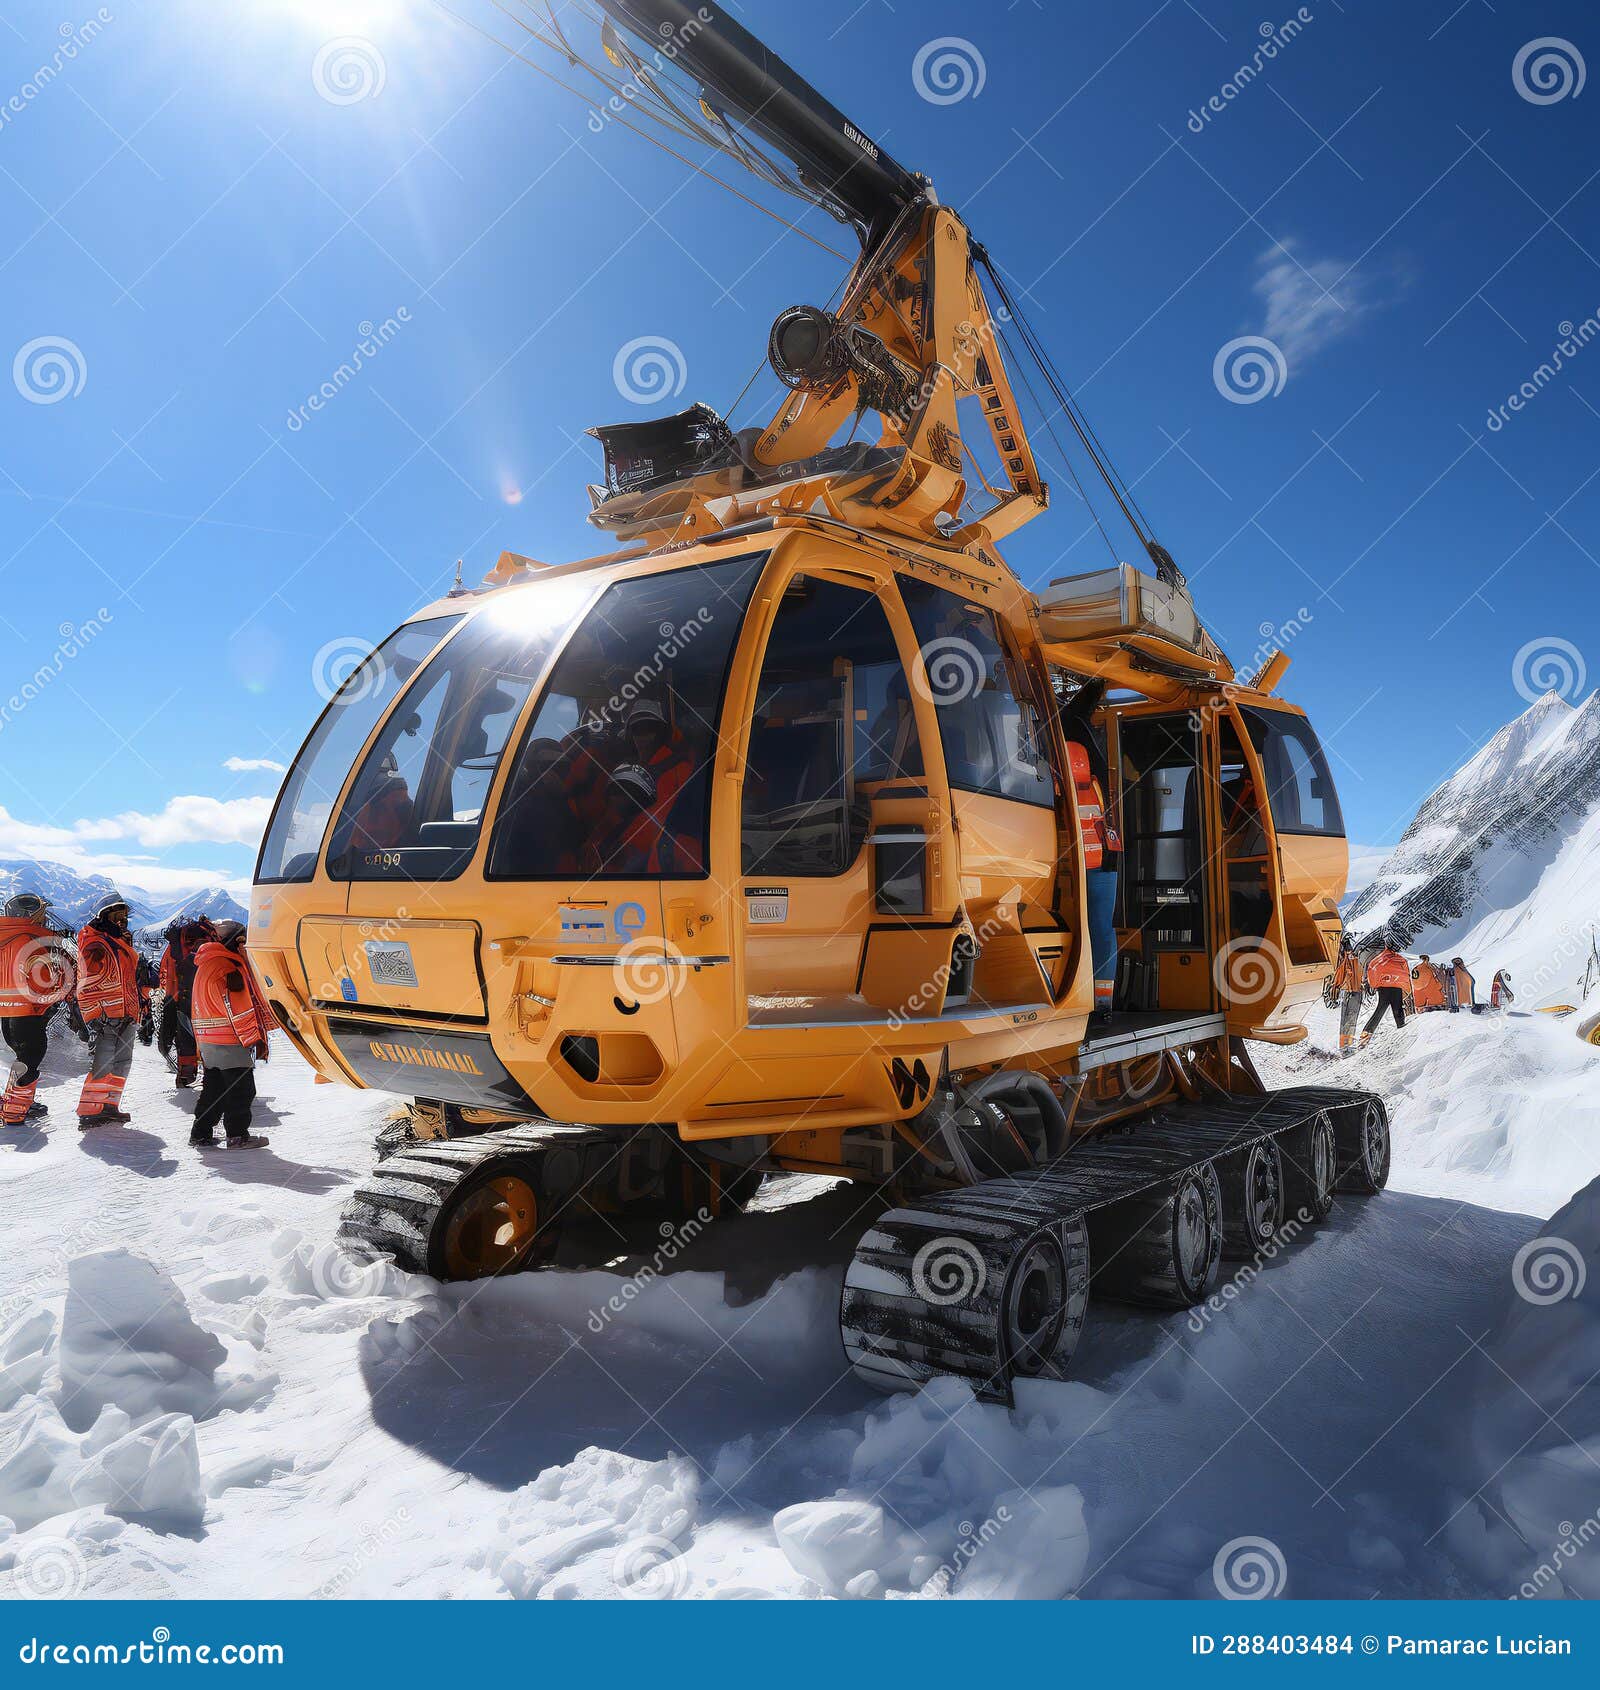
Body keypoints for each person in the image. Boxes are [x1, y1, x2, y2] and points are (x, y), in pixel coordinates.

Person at [188, 921, 273, 1150]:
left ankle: (200, 1133)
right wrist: (251, 1035)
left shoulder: (207, 963)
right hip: (228, 1037)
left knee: (214, 1089)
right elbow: (237, 1006)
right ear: (236, 941)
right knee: (241, 1089)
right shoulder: (228, 965)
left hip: (207, 1038)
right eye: (242, 941)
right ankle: (237, 1136)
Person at [0, 893, 71, 1126]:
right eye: (41, 914)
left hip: (6, 1010)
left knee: (22, 1058)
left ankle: (13, 1101)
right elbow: (46, 979)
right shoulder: (36, 939)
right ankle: (14, 1112)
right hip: (28, 1011)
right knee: (30, 1057)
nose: (45, 918)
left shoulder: (4, 935)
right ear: (30, 915)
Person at [74, 895, 142, 1127]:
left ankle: (109, 1106)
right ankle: (90, 1111)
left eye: (124, 917)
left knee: (122, 1062)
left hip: (126, 1011)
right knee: (103, 1063)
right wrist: (97, 1013)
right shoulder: (95, 942)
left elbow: (127, 978)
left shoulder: (117, 941)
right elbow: (87, 981)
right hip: (106, 1015)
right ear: (104, 916)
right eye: (117, 916)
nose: (122, 921)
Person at [1068, 739, 1122, 1023]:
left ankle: (1076, 999)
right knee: (1102, 932)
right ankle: (1102, 1004)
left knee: (1073, 931)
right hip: (1103, 867)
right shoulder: (1095, 785)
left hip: (1073, 871)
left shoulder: (1055, 786)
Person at [157, 916, 215, 1087]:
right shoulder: (212, 938)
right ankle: (212, 1074)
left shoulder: (175, 944)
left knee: (185, 1035)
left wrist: (170, 998)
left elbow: (167, 973)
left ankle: (185, 1075)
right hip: (208, 997)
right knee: (210, 1035)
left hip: (183, 997)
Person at [1360, 940, 1410, 1047]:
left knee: (1380, 1010)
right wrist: (1403, 984)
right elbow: (1405, 974)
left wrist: (1375, 985)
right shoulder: (1400, 959)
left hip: (1383, 988)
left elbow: (1371, 972)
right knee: (1398, 1008)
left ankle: (1365, 1035)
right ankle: (1401, 1028)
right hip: (1396, 986)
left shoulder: (1378, 960)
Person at [1331, 935, 1364, 1056]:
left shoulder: (1346, 958)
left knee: (1347, 1020)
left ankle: (1344, 1046)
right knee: (1350, 1020)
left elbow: (1340, 974)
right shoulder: (1351, 958)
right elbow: (1342, 974)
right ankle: (1345, 1047)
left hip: (1351, 990)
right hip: (1353, 991)